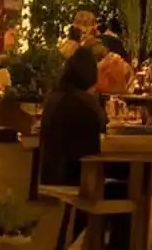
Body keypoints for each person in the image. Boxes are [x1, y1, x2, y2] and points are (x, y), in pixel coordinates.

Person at [39, 47, 106, 186]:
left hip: (53, 174)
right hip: (78, 177)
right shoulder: (85, 103)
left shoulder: (54, 97)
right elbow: (102, 129)